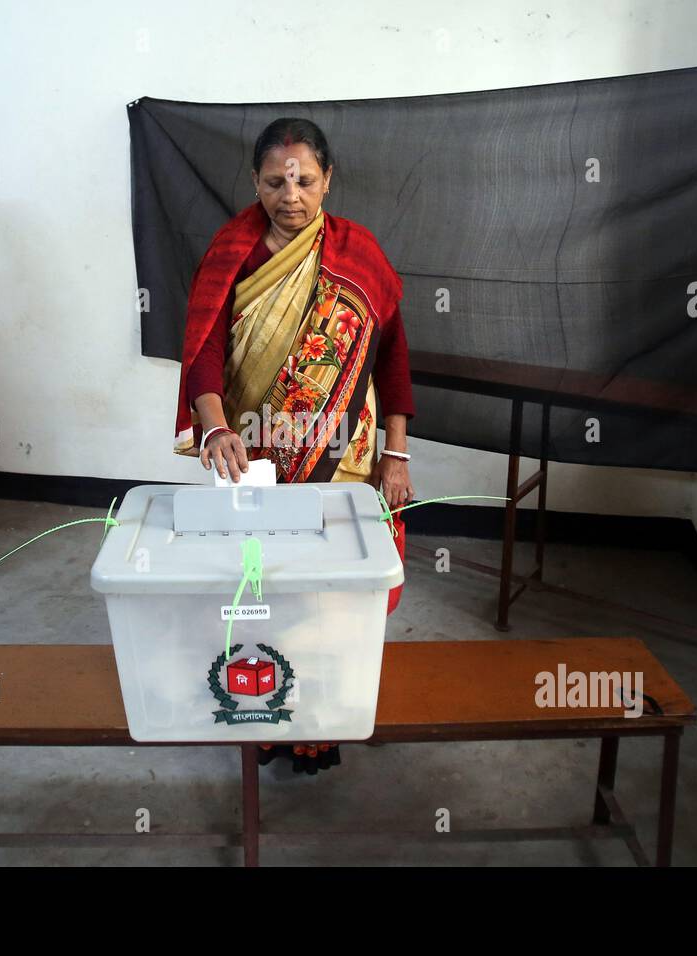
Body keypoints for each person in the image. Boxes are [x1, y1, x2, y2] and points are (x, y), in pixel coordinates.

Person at [174, 118, 416, 774]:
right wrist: (215, 425)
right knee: (265, 586)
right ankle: (264, 708)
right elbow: (203, 352)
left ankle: (325, 715)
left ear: (327, 180)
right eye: (276, 181)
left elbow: (392, 356)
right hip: (253, 457)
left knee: (332, 590)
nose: (291, 194)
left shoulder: (357, 252)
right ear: (255, 181)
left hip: (347, 458)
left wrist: (397, 454)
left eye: (305, 180)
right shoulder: (232, 251)